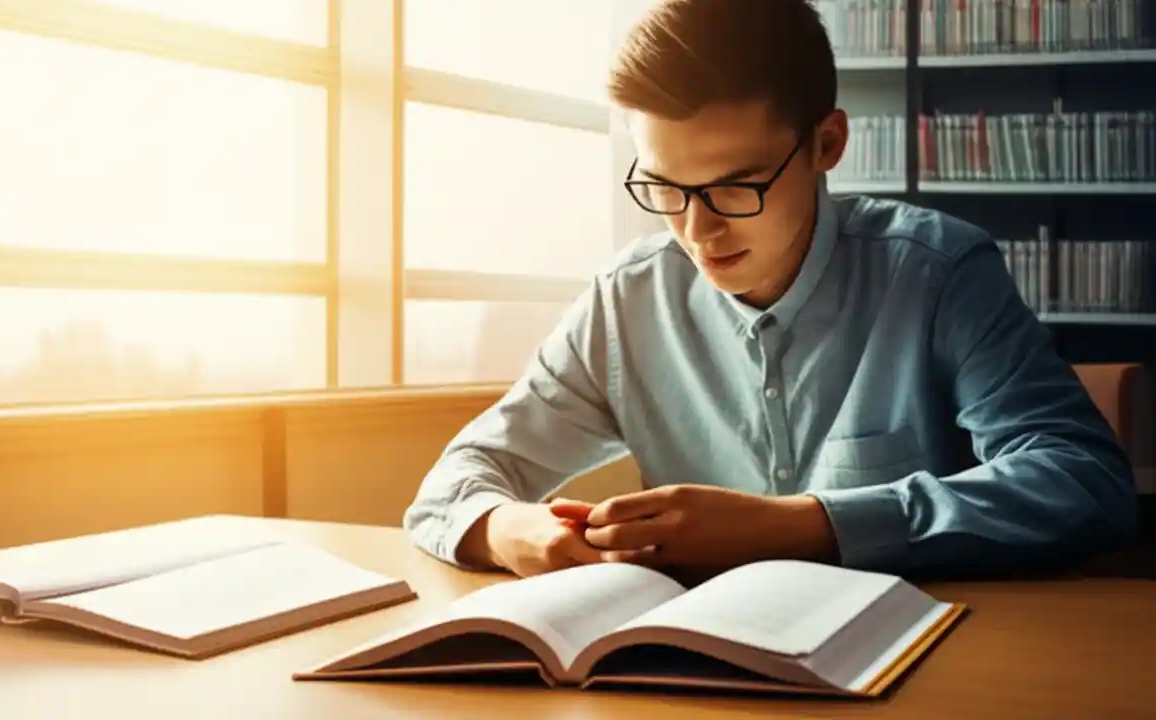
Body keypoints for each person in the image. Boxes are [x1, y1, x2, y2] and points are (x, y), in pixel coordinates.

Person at [403, 0, 1136, 582]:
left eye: (736, 184)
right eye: (664, 186)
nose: (697, 229)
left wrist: (802, 524)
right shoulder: (626, 301)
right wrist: (510, 530)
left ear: (827, 146)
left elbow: (1085, 485)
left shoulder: (936, 272)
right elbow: (452, 485)